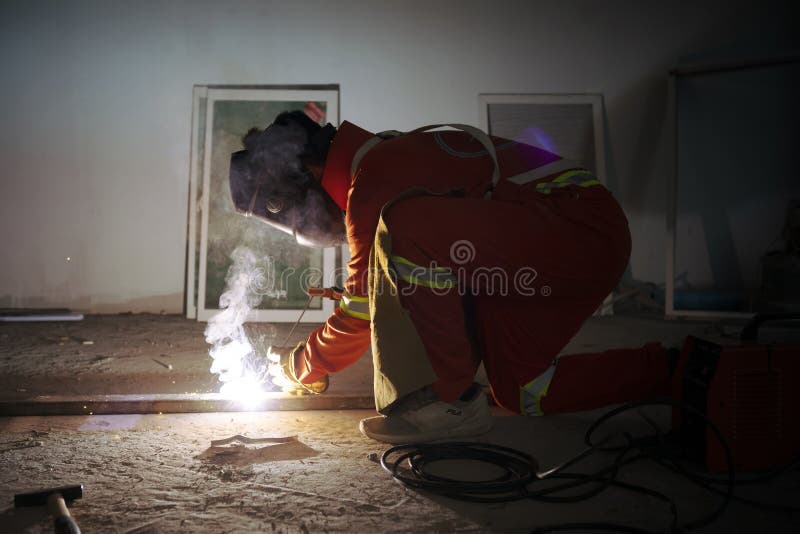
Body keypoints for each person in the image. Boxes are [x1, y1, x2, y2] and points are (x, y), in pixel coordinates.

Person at [229, 110, 672, 444]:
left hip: (579, 225)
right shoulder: (384, 161)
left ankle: (448, 400)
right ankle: (674, 371)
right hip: (552, 241)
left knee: (405, 225)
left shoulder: (377, 176)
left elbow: (361, 309)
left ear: (308, 173)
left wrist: (299, 367)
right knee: (522, 390)